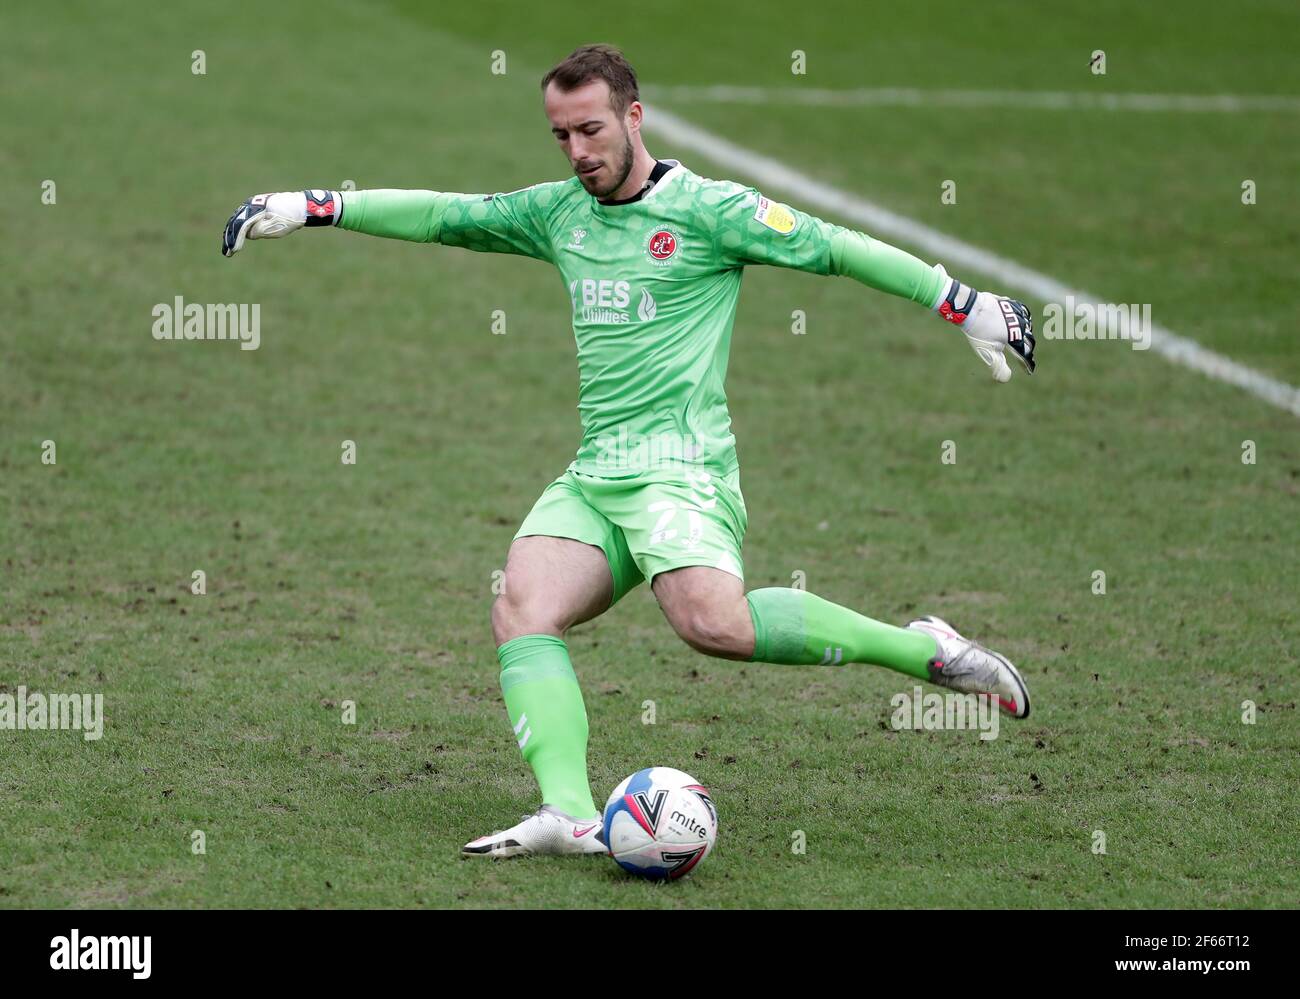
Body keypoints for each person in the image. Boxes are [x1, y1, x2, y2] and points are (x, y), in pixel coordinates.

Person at [222, 43, 1036, 859]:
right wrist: (317, 205)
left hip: (683, 471)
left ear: (633, 117)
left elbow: (836, 246)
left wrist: (957, 301)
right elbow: (445, 215)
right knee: (522, 608)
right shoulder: (558, 214)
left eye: (591, 130)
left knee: (711, 625)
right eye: (561, 136)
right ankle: (570, 815)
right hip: (597, 474)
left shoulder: (712, 211)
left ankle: (924, 647)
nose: (578, 153)